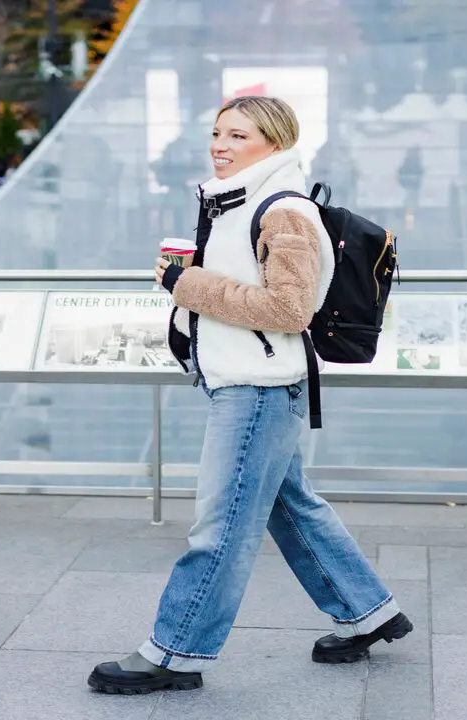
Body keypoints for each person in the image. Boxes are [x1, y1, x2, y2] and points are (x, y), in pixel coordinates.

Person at [88, 96, 412, 695]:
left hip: (258, 389)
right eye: (217, 132)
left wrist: (186, 284)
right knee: (291, 508)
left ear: (275, 141)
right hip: (245, 381)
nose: (220, 144)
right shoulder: (234, 199)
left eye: (238, 135)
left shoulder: (283, 210)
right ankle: (369, 611)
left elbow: (290, 309)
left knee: (222, 528)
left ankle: (176, 652)